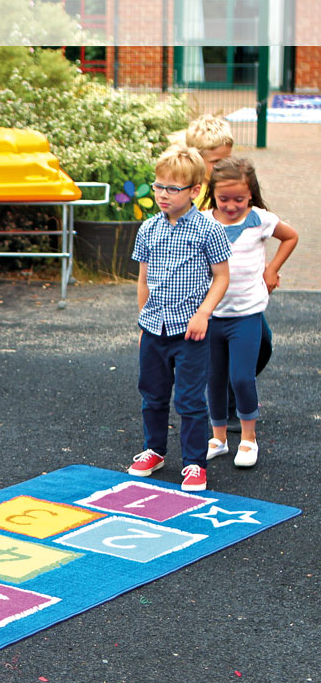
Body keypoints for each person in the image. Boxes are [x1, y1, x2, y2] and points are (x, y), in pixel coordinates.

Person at [128, 145, 231, 492]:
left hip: (191, 332)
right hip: (154, 328)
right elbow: (143, 280)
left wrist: (204, 313)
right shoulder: (148, 229)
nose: (162, 194)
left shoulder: (208, 230)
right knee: (152, 395)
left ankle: (193, 463)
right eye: (158, 186)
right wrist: (143, 321)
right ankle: (154, 450)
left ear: (195, 191)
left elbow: (221, 277)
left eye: (172, 189)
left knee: (189, 399)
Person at [174, 113, 273, 426]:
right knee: (210, 356)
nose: (222, 167)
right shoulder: (192, 197)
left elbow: (252, 230)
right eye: (216, 161)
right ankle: (224, 404)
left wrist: (267, 269)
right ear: (198, 159)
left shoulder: (230, 189)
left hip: (242, 295)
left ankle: (234, 388)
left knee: (264, 343)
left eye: (226, 159)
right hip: (210, 294)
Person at [202, 157, 298, 468]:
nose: (231, 206)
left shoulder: (260, 219)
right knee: (215, 380)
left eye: (239, 199)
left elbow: (291, 236)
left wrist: (272, 270)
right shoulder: (203, 221)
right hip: (212, 316)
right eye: (224, 199)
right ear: (212, 194)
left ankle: (248, 439)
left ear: (251, 194)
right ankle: (218, 438)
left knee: (241, 378)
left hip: (246, 315)